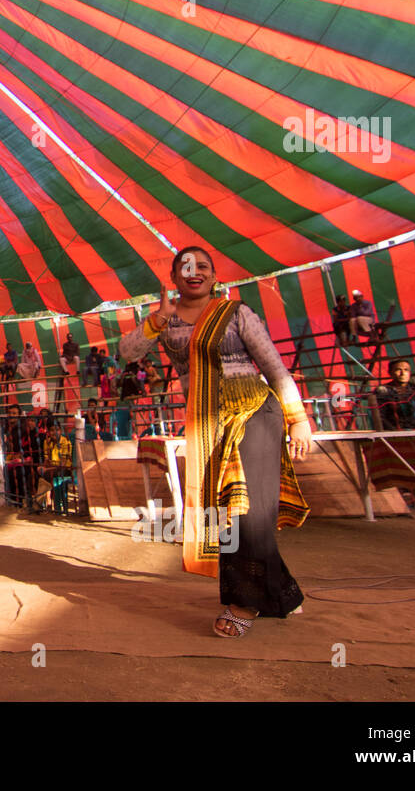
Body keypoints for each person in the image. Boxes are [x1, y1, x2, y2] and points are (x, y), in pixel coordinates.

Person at [119, 246, 311, 639]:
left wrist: (300, 419)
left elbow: (274, 365)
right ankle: (283, 593)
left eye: (202, 266)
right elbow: (126, 353)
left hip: (254, 412)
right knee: (224, 512)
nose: (194, 272)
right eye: (185, 267)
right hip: (208, 424)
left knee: (246, 511)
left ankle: (244, 602)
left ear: (214, 275)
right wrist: (156, 321)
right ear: (174, 278)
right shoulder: (166, 320)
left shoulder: (236, 312)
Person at [374, 359, 415, 431]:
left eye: (406, 370)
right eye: (398, 370)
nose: (403, 373)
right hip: (393, 433)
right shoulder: (383, 391)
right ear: (390, 373)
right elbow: (380, 417)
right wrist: (395, 431)